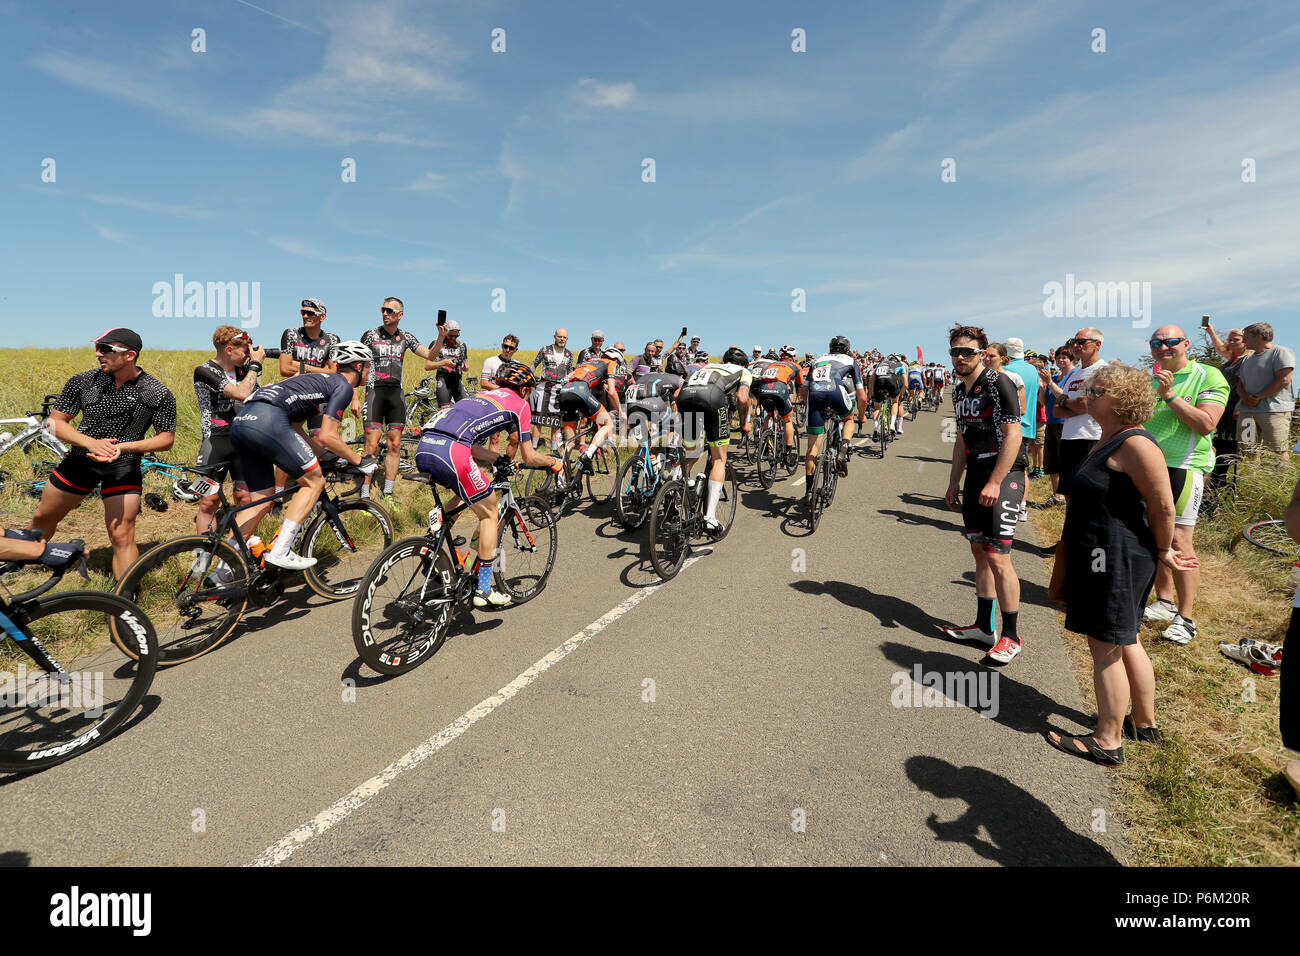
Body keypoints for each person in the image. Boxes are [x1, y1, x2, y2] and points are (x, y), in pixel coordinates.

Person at [1046, 362, 1197, 765]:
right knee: (1125, 637)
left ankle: (1108, 738)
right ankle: (1143, 723)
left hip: (1113, 557)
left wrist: (1165, 550)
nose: (1088, 396)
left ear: (1122, 400)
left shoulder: (1136, 444)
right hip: (1104, 552)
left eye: (1098, 391)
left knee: (1106, 645)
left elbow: (1163, 504)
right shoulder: (1107, 439)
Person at [31, 329, 177, 579]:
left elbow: (166, 439)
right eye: (98, 347)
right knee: (43, 516)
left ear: (130, 355)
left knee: (122, 534)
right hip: (80, 459)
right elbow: (54, 423)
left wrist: (122, 447)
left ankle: (125, 601)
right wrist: (90, 443)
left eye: (107, 349)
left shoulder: (156, 391)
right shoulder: (82, 381)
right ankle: (17, 561)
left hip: (123, 465)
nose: (99, 354)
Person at [414, 362, 562, 607]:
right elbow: (529, 457)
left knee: (468, 495)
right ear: (525, 389)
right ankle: (483, 589)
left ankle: (434, 544)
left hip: (426, 448)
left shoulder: (480, 396)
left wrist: (497, 457)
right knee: (490, 511)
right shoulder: (521, 405)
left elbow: (470, 445)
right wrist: (553, 462)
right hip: (453, 451)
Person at [229, 341, 378, 570]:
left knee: (261, 500)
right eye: (368, 367)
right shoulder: (343, 386)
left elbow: (296, 429)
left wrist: (327, 456)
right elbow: (328, 435)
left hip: (242, 422)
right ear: (359, 367)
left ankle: (223, 569)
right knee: (314, 481)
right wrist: (360, 461)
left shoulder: (313, 384)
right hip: (269, 420)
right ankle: (281, 550)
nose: (369, 372)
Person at [941, 324, 1026, 667]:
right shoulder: (958, 392)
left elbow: (1014, 434)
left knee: (998, 556)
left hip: (1003, 474)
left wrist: (995, 480)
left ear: (981, 353)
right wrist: (952, 482)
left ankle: (1012, 635)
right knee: (979, 551)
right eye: (955, 352)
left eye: (968, 352)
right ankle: (982, 626)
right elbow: (962, 441)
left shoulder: (996, 381)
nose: (960, 357)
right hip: (976, 471)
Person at [1139, 326, 1228, 646]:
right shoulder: (1148, 377)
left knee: (1178, 540)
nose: (1163, 347)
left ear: (1186, 344)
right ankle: (1164, 602)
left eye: (1171, 341)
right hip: (1147, 466)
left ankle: (1186, 618)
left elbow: (1206, 423)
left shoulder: (1208, 375)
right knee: (1155, 536)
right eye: (1156, 343)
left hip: (1184, 466)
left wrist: (1170, 396)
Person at [359, 297, 435, 501]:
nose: (385, 313)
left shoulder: (406, 337)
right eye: (383, 309)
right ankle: (365, 491)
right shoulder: (370, 335)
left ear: (400, 315)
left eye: (390, 310)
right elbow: (359, 367)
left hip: (396, 395)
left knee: (394, 445)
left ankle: (389, 492)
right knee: (372, 445)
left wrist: (441, 337)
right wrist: (353, 398)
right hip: (375, 392)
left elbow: (429, 355)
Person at [192, 326, 263, 537]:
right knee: (209, 501)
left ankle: (235, 550)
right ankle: (202, 554)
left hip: (243, 440)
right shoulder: (205, 370)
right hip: (216, 439)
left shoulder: (244, 371)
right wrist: (256, 364)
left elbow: (256, 398)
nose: (248, 356)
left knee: (244, 499)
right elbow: (240, 393)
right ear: (229, 349)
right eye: (245, 351)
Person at [675, 346, 752, 535]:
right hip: (711, 398)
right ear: (743, 363)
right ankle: (710, 518)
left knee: (692, 450)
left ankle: (675, 484)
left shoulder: (707, 367)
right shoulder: (743, 371)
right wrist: (744, 424)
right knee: (719, 459)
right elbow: (742, 398)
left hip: (686, 397)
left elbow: (677, 394)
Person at [1051, 328, 1106, 497]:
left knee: (1089, 494)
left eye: (1081, 342)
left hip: (1092, 438)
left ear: (1097, 344)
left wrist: (1066, 402)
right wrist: (1075, 405)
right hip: (1069, 437)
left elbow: (1088, 404)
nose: (1076, 345)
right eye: (1074, 341)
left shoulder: (1103, 370)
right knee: (1069, 492)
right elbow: (1057, 411)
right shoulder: (1075, 375)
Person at [804, 337, 866, 484]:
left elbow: (803, 390)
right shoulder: (851, 360)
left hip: (815, 395)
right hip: (836, 392)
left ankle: (808, 491)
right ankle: (844, 446)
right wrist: (862, 416)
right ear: (847, 350)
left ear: (830, 349)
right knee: (848, 419)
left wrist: (811, 405)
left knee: (812, 448)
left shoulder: (817, 360)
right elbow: (862, 396)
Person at [557, 345, 624, 474]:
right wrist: (621, 412)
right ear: (616, 360)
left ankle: (559, 480)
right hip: (580, 391)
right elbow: (611, 392)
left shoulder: (588, 362)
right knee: (608, 423)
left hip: (564, 392)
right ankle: (587, 454)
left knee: (569, 442)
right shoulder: (610, 363)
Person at [1205, 325, 1251, 503]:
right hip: (1224, 404)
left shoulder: (1248, 359)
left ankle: (1236, 476)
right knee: (1221, 439)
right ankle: (1218, 477)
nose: (1231, 342)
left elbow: (1246, 383)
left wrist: (1241, 404)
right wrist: (1211, 331)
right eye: (1230, 340)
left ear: (1244, 342)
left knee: (1237, 441)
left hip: (1237, 405)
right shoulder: (1232, 358)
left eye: (1236, 340)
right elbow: (1219, 347)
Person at [1236, 323, 1295, 461]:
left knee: (1277, 450)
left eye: (1247, 337)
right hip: (1248, 412)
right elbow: (1240, 385)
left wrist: (1258, 397)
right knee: (1248, 449)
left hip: (1274, 411)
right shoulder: (1247, 358)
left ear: (1260, 337)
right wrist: (1245, 398)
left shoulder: (1280, 352)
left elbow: (1284, 380)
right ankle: (1252, 480)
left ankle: (1280, 481)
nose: (1243, 340)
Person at [754, 344, 807, 468]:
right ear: (793, 357)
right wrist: (803, 401)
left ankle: (765, 444)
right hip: (779, 389)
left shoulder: (771, 364)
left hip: (762, 390)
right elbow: (801, 386)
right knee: (788, 420)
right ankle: (788, 453)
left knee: (770, 416)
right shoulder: (796, 366)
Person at [425, 318, 470, 408]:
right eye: (451, 336)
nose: (453, 338)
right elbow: (427, 366)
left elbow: (466, 365)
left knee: (466, 408)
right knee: (445, 411)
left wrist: (464, 366)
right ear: (445, 333)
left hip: (457, 381)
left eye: (456, 336)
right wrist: (444, 363)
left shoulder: (461, 345)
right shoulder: (436, 344)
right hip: (443, 380)